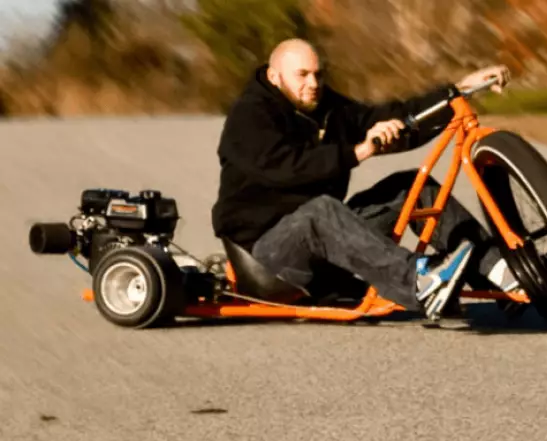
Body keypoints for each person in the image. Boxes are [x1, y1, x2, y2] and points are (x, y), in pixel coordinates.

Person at [211, 38, 520, 319]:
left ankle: (502, 273)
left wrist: (457, 92)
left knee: (411, 185)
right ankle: (420, 281)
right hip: (267, 258)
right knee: (320, 211)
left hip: (323, 240)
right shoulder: (249, 116)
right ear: (274, 76)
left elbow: (393, 117)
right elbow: (285, 167)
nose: (314, 83)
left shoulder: (327, 108)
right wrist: (357, 152)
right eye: (302, 75)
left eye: (318, 74)